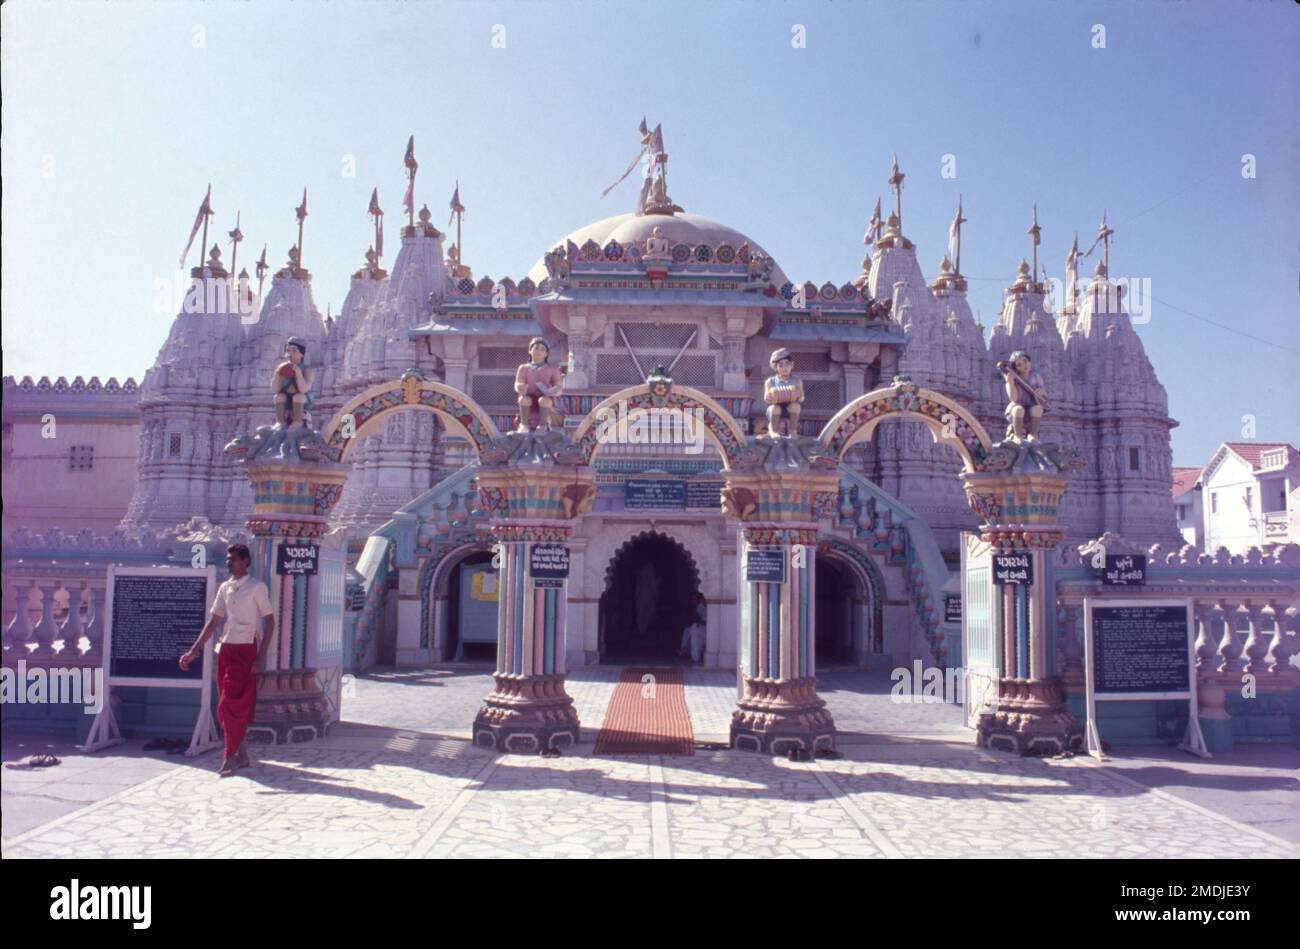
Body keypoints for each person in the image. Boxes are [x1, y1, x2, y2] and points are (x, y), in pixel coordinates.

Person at [180, 544, 275, 776]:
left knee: (231, 705)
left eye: (234, 559)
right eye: (228, 559)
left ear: (246, 562)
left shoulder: (256, 588)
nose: (229, 563)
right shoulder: (225, 588)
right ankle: (241, 754)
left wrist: (260, 658)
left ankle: (228, 757)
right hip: (226, 650)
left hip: (246, 651)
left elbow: (270, 621)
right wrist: (193, 651)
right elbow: (213, 622)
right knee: (226, 707)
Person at [514, 337, 564, 432]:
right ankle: (524, 425)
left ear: (546, 354)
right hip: (529, 397)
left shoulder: (552, 369)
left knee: (544, 401)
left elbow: (559, 385)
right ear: (530, 350)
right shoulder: (523, 368)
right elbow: (518, 382)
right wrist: (520, 387)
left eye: (542, 349)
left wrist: (553, 390)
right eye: (536, 348)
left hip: (546, 398)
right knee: (523, 399)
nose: (539, 351)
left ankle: (543, 426)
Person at [272, 337, 315, 428]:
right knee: (279, 396)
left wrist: (299, 375)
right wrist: (278, 375)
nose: (290, 353)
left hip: (303, 401)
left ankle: (297, 421)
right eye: (288, 350)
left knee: (298, 396)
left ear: (302, 354)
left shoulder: (307, 370)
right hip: (287, 401)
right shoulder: (282, 368)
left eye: (294, 351)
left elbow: (304, 390)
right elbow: (275, 390)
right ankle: (280, 421)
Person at [764, 348, 804, 437]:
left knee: (796, 406)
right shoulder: (770, 381)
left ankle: (792, 430)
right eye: (780, 365)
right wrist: (771, 396)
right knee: (775, 408)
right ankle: (774, 431)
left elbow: (802, 398)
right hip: (774, 408)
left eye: (787, 364)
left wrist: (796, 395)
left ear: (792, 365)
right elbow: (766, 399)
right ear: (776, 367)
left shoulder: (797, 381)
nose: (784, 368)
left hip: (789, 408)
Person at [678, 593, 707, 663]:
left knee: (694, 629)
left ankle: (692, 655)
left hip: (708, 629)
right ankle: (684, 649)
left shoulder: (712, 606)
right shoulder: (701, 605)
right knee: (688, 630)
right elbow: (696, 616)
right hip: (701, 626)